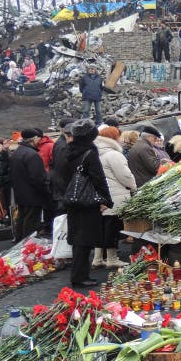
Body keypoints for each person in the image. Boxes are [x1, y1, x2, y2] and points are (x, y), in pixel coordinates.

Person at [60, 120, 113, 287]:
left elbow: (63, 175)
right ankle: (80, 277)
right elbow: (98, 178)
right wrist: (106, 199)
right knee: (85, 240)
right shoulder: (89, 153)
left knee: (77, 240)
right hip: (87, 202)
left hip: (73, 200)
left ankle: (79, 275)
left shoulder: (68, 151)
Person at [93, 127, 135, 269]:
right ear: (114, 137)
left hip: (100, 196)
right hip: (114, 196)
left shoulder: (96, 153)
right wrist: (133, 187)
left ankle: (98, 258)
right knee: (113, 228)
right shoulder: (114, 155)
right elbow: (125, 176)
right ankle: (112, 259)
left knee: (101, 228)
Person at [10, 129, 49, 242]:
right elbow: (38, 177)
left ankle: (19, 242)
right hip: (32, 194)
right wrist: (45, 191)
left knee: (22, 219)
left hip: (21, 193)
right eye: (38, 138)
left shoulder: (17, 152)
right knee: (31, 222)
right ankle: (28, 244)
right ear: (34, 138)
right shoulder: (32, 155)